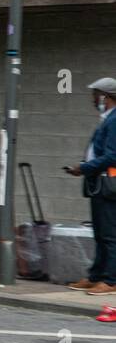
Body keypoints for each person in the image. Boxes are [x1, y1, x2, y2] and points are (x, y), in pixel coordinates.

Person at [63, 77, 116, 294]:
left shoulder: (115, 120)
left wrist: (84, 167)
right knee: (101, 234)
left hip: (109, 184)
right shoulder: (108, 119)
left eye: (95, 95)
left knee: (110, 235)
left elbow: (113, 155)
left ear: (105, 96)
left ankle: (111, 281)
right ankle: (97, 276)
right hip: (100, 183)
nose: (93, 100)